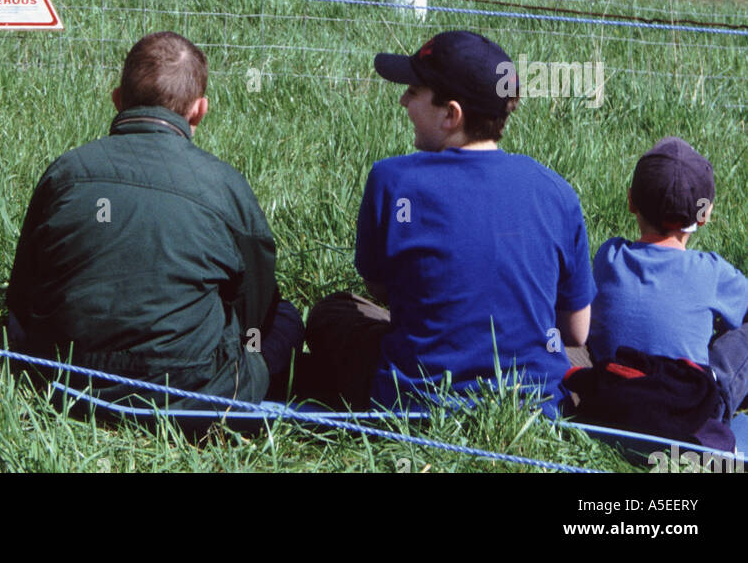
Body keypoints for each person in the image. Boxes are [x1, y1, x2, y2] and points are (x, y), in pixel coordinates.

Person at [304, 30, 595, 417]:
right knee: (580, 348)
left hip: (414, 403)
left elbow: (381, 287)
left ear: (451, 114)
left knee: (332, 312)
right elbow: (576, 332)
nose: (403, 99)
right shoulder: (557, 192)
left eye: (414, 90)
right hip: (535, 406)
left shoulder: (392, 180)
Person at [7, 31, 303, 411]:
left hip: (61, 378)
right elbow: (255, 306)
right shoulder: (225, 184)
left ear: (117, 99)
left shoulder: (66, 171)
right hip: (194, 389)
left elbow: (23, 290)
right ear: (200, 110)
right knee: (285, 318)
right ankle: (257, 385)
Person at [585, 137, 748, 451]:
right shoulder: (711, 271)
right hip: (689, 409)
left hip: (618, 393)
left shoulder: (609, 256)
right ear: (705, 215)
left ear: (631, 201)